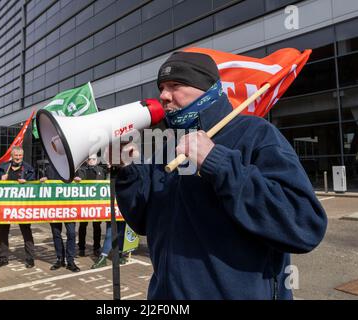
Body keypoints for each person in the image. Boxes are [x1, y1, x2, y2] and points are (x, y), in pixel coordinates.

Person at [114, 51, 328, 299]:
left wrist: (217, 163)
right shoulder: (168, 146)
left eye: (175, 85)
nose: (163, 95)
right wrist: (127, 171)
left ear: (206, 89)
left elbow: (304, 225)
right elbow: (142, 221)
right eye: (162, 87)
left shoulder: (256, 134)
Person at [0, 146, 36, 268]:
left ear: (22, 156)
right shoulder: (3, 167)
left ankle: (30, 258)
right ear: (12, 156)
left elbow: (34, 186)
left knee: (26, 231)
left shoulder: (28, 168)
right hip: (6, 204)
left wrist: (27, 183)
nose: (18, 158)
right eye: (16, 155)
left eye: (20, 155)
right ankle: (3, 258)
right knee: (3, 231)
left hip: (22, 205)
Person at [40, 164, 80, 272]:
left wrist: (79, 179)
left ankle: (70, 261)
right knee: (56, 233)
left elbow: (82, 182)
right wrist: (43, 181)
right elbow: (43, 186)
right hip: (54, 207)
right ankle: (60, 259)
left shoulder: (72, 167)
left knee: (71, 233)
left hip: (69, 206)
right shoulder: (48, 168)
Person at [74, 155, 106, 257]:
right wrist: (76, 180)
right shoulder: (81, 170)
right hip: (84, 202)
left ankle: (97, 247)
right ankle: (81, 248)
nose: (91, 161)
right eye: (89, 159)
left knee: (97, 226)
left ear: (97, 160)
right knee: (83, 226)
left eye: (93, 159)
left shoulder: (101, 170)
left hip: (97, 203)